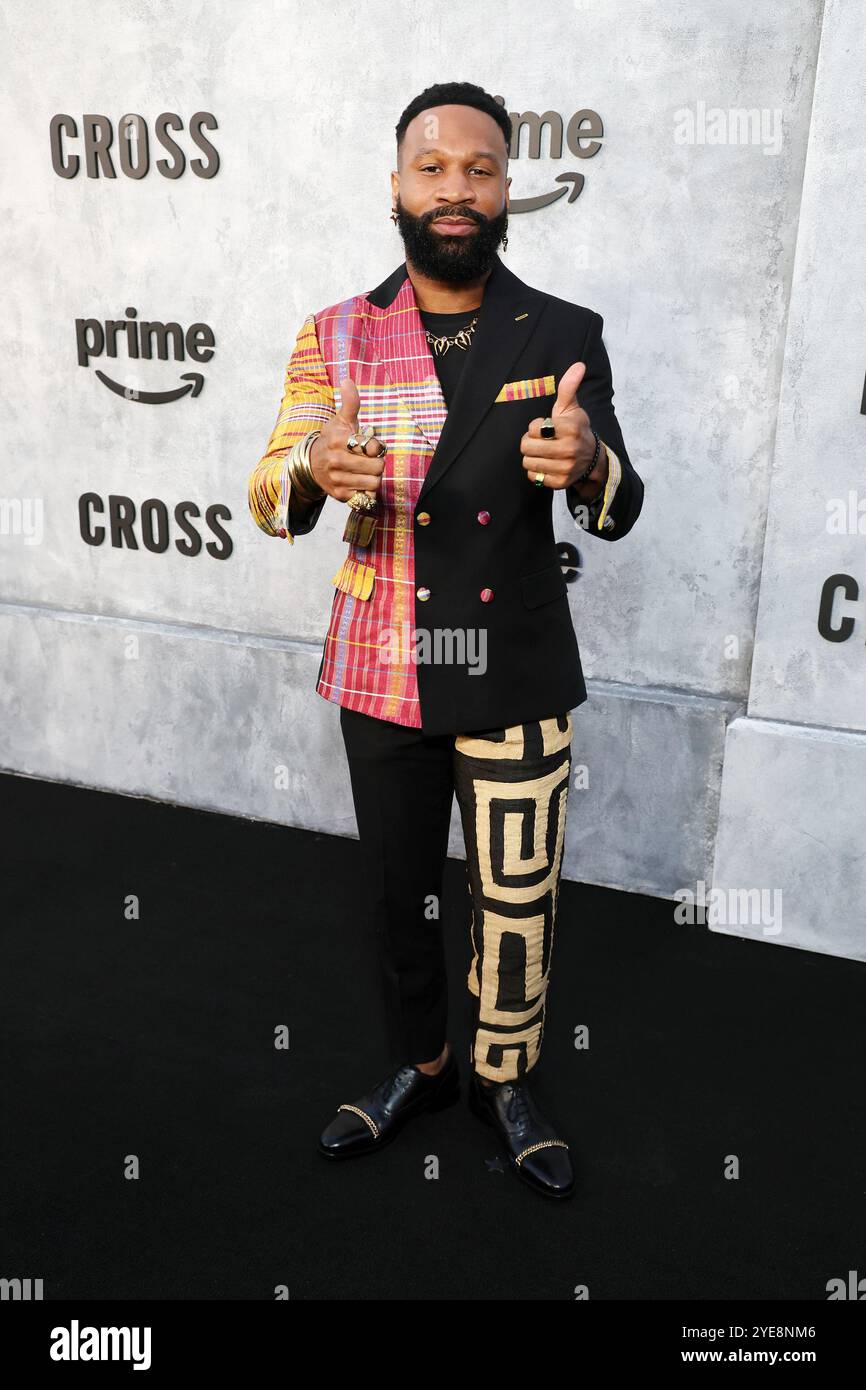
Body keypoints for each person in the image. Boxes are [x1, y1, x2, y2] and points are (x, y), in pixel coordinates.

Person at [248, 81, 643, 1199]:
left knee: (516, 901)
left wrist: (590, 466)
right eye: (432, 168)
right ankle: (421, 1063)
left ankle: (504, 1077)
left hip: (512, 674)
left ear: (506, 185)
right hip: (383, 666)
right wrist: (309, 473)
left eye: (478, 167)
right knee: (398, 889)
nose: (455, 187)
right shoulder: (333, 335)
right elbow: (267, 496)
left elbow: (615, 509)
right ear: (395, 188)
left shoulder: (563, 335)